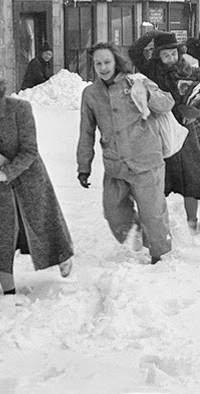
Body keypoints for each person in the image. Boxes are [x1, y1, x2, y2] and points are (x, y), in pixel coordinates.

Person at [0, 72, 74, 295]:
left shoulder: (20, 109)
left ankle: (63, 257)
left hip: (30, 177)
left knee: (44, 222)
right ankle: (8, 291)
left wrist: (7, 173)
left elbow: (30, 151)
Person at [77, 42, 175, 264]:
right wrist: (83, 166)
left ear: (116, 61)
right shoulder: (91, 94)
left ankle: (159, 254)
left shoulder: (136, 81)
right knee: (113, 213)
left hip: (146, 159)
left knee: (152, 213)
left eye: (107, 62)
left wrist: (146, 95)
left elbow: (167, 102)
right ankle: (140, 227)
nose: (103, 67)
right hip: (116, 164)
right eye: (98, 63)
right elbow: (86, 132)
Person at [142, 32, 200, 234]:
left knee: (191, 181)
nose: (171, 59)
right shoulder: (151, 74)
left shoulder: (191, 73)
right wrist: (153, 34)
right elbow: (135, 52)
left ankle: (193, 224)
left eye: (174, 54)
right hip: (160, 134)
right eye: (166, 55)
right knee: (157, 184)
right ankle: (154, 228)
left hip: (185, 134)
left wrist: (197, 112)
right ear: (158, 56)